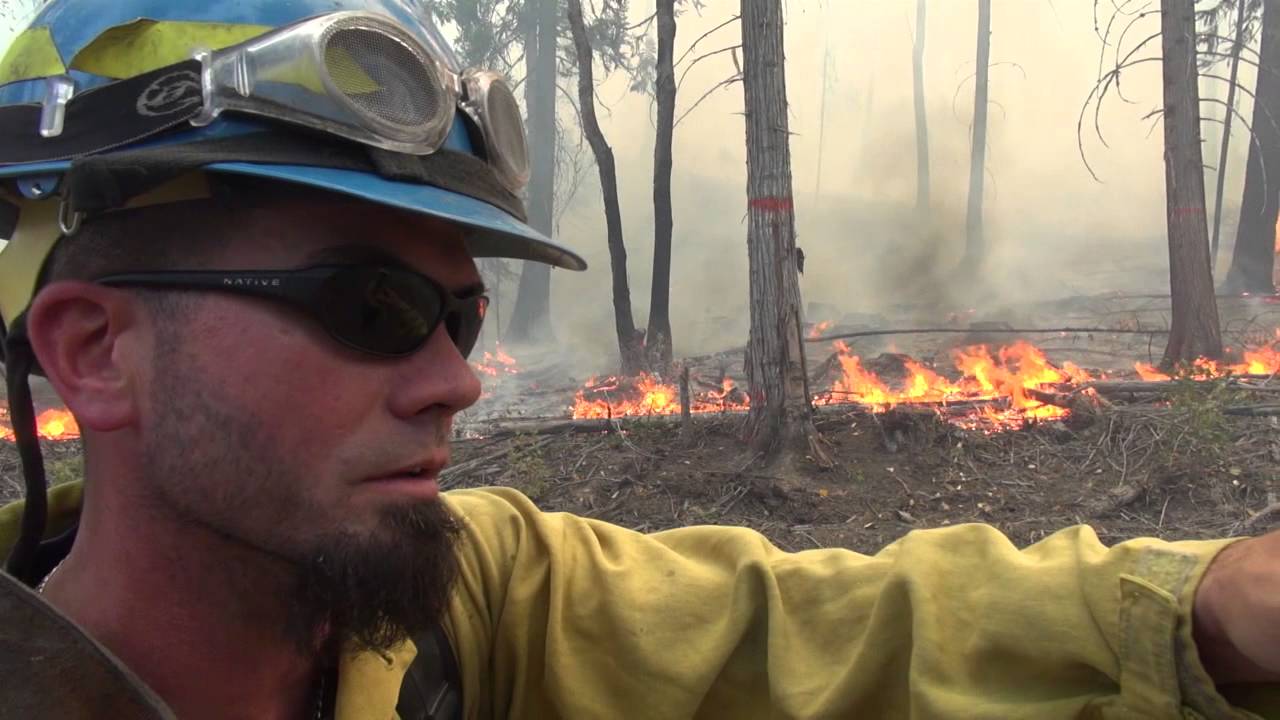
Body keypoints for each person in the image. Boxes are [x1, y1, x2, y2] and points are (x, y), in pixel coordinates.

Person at [0, 1, 1276, 718]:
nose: (455, 381)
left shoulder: (473, 607)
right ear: (96, 353)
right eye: (371, 304)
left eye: (460, 317)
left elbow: (821, 630)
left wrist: (1201, 605)